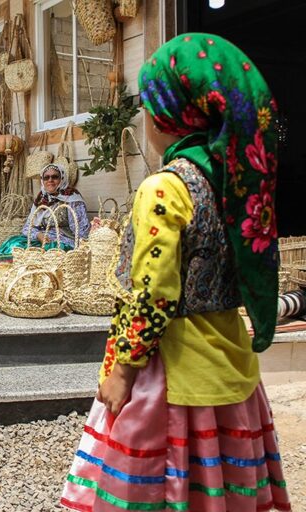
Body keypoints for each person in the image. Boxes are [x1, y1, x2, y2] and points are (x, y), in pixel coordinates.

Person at [61, 34, 290, 511]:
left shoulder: (164, 188)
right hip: (231, 374)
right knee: (220, 490)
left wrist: (123, 371)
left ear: (167, 115)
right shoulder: (234, 181)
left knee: (162, 488)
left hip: (172, 379)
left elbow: (154, 293)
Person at [0, 163, 90, 259]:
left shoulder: (72, 199)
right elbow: (27, 227)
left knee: (48, 253)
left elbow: (82, 232)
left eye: (55, 177)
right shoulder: (41, 199)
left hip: (63, 242)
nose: (50, 180)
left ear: (62, 179)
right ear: (42, 180)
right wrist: (38, 235)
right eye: (46, 177)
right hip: (42, 239)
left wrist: (81, 251)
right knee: (13, 243)